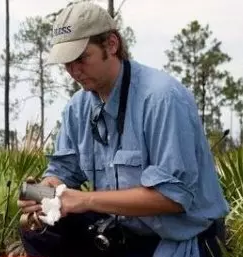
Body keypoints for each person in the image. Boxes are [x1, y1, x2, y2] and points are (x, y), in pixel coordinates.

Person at [17, 2, 229, 257]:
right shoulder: (78, 107)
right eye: (67, 64)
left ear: (111, 45)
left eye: (81, 59)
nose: (74, 71)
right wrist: (46, 191)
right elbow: (63, 171)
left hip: (176, 237)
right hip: (119, 231)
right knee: (42, 232)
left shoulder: (162, 99)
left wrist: (84, 200)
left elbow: (173, 198)